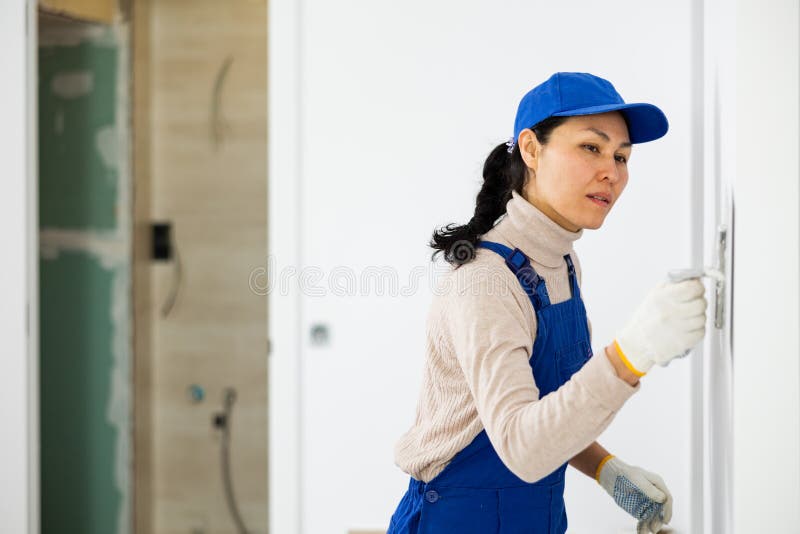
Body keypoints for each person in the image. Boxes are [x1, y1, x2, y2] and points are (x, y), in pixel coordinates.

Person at [387, 72, 707, 534]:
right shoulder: (486, 282)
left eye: (621, 156)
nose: (611, 172)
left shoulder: (563, 264)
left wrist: (607, 470)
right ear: (532, 150)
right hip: (457, 519)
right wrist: (631, 354)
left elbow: (548, 409)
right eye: (591, 148)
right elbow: (523, 446)